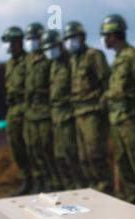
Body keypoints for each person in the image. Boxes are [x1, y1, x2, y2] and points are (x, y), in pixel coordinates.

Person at [100, 14, 135, 208]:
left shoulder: (132, 55)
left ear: (115, 35)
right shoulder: (117, 58)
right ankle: (133, 195)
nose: (104, 39)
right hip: (117, 118)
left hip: (131, 117)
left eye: (106, 35)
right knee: (122, 159)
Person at [63, 21, 112, 193]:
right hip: (78, 113)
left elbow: (107, 81)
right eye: (67, 38)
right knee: (83, 157)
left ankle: (105, 188)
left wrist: (101, 105)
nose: (70, 42)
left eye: (73, 37)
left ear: (82, 37)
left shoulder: (94, 55)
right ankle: (93, 188)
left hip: (92, 113)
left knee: (96, 154)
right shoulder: (72, 60)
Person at [41, 30, 85, 190]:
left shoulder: (69, 62)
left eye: (52, 47)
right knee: (59, 156)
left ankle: (80, 187)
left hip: (68, 114)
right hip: (56, 115)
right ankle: (69, 187)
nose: (49, 51)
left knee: (72, 154)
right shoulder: (53, 65)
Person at [24, 22, 61, 193]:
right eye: (29, 38)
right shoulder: (28, 60)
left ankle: (55, 182)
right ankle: (42, 181)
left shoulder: (48, 58)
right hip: (32, 111)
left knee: (48, 148)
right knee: (34, 148)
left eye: (34, 38)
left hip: (45, 110)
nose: (31, 42)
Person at [1, 26, 32, 196]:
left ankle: (37, 180)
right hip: (13, 109)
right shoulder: (10, 64)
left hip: (27, 108)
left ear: (19, 42)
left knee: (31, 145)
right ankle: (26, 179)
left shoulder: (28, 60)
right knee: (15, 145)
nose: (8, 46)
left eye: (10, 42)